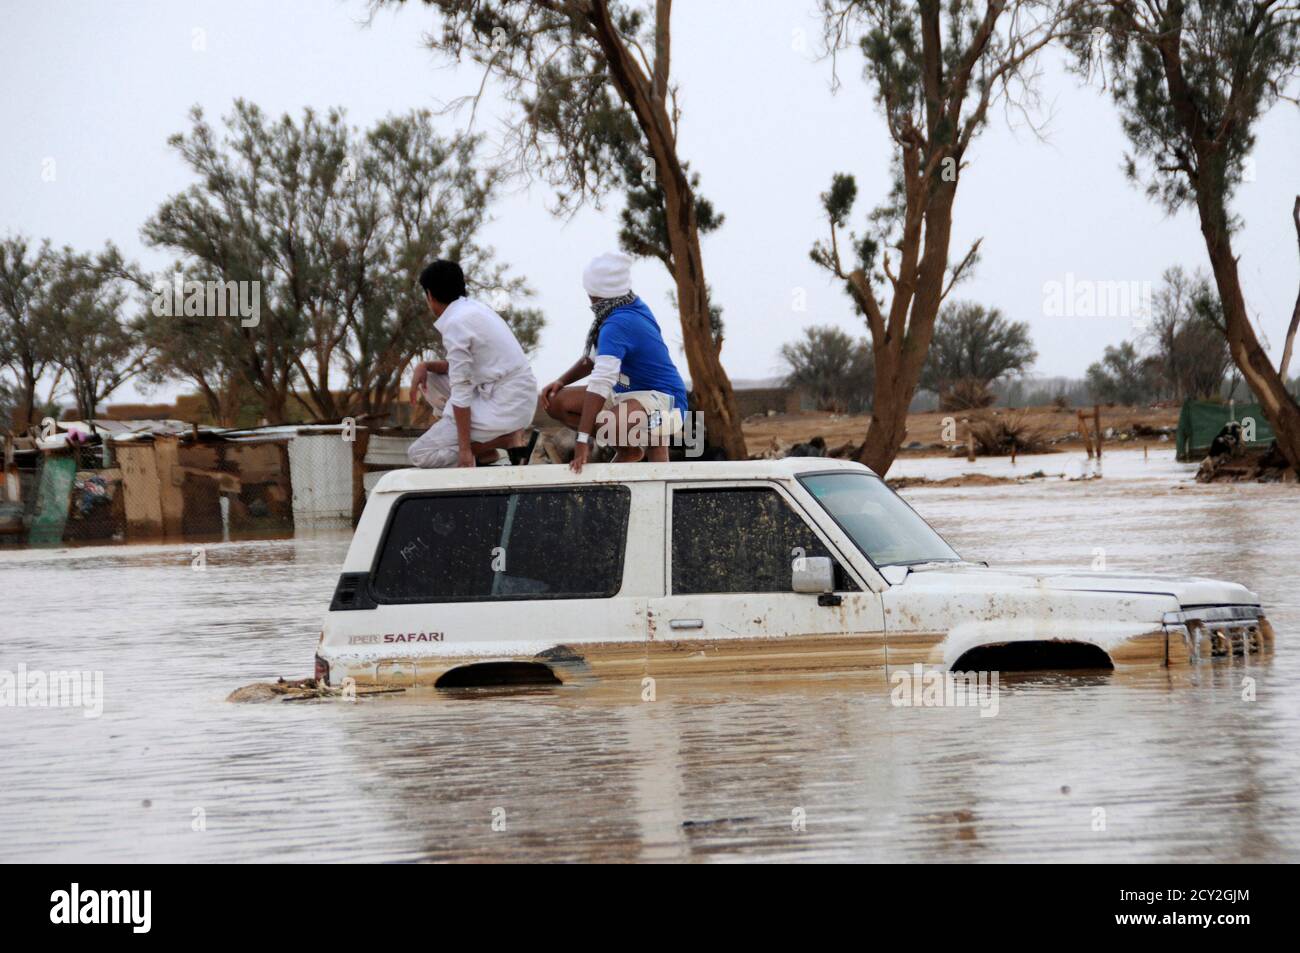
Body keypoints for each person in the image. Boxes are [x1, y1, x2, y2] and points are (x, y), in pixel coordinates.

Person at [540, 251, 688, 473]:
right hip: (627, 395)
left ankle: (645, 455)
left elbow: (600, 382)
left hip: (667, 401)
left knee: (617, 424)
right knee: (556, 402)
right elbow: (593, 361)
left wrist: (582, 441)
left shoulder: (618, 324)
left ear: (595, 293)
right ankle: (629, 450)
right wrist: (560, 382)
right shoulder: (625, 304)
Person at [407, 260, 538, 468]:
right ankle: (487, 451)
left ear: (430, 296)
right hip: (516, 393)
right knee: (430, 379)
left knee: (419, 454)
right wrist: (426, 366)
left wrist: (465, 450)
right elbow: (464, 368)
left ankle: (501, 441)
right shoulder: (473, 309)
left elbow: (461, 391)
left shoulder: (456, 323)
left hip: (507, 402)